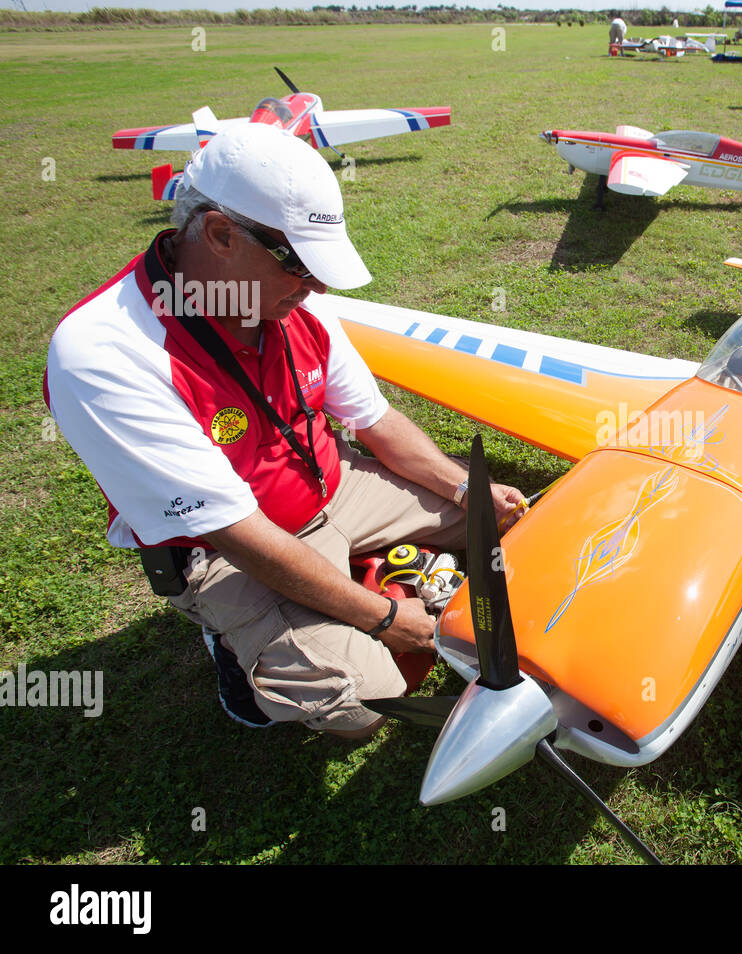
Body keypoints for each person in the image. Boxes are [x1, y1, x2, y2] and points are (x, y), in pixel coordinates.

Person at [45, 124, 525, 737]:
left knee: (507, 522)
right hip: (225, 550)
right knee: (364, 704)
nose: (317, 286)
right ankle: (237, 645)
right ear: (220, 234)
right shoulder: (103, 353)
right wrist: (384, 618)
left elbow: (375, 422)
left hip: (334, 484)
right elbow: (234, 532)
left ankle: (365, 569)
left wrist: (466, 491)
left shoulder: (292, 299)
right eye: (299, 262)